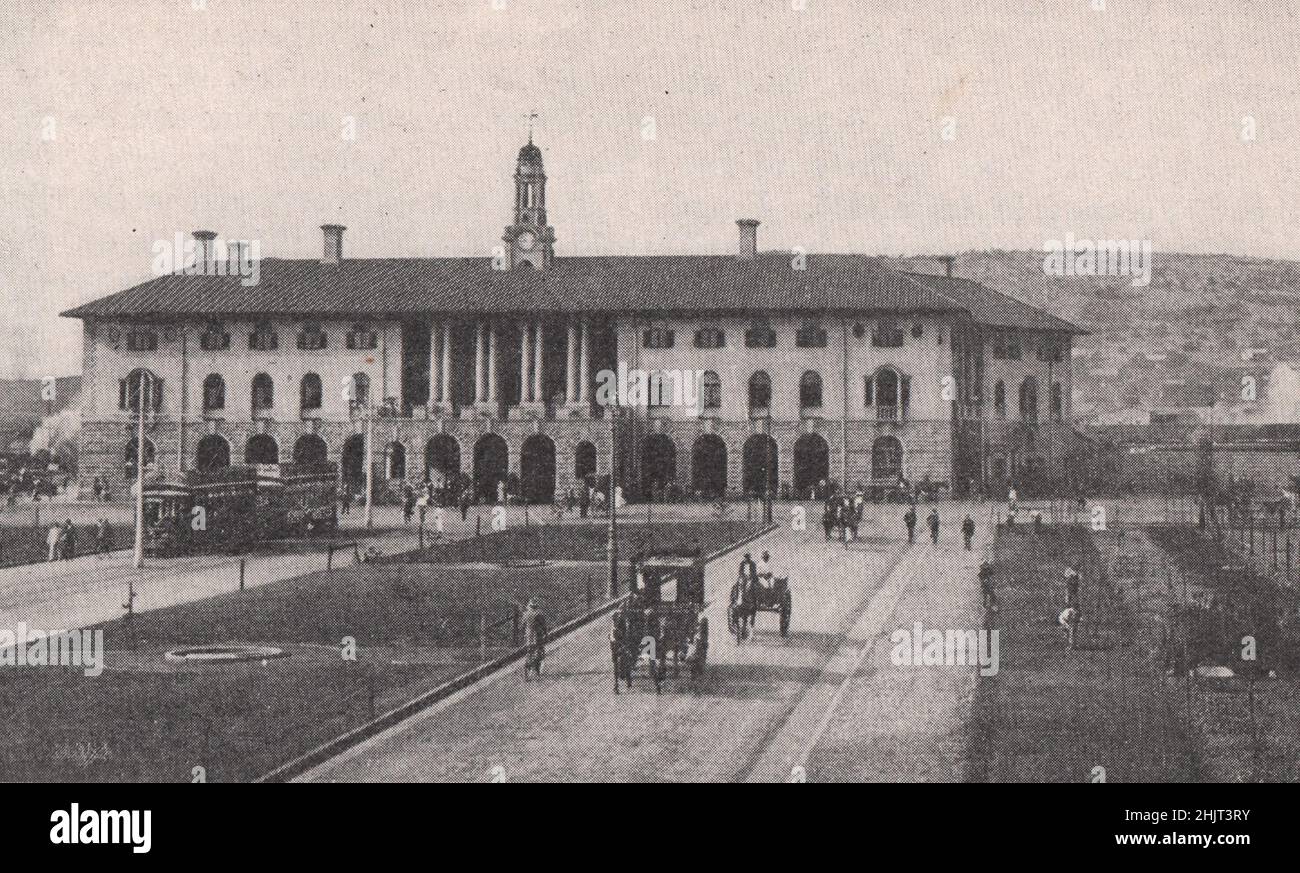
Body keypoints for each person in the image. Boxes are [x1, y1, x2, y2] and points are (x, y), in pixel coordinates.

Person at [522, 599, 547, 679]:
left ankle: (527, 668)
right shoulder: (539, 614)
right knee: (539, 652)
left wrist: (525, 634)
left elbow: (522, 625)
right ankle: (537, 670)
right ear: (536, 606)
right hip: (537, 635)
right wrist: (546, 634)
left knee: (529, 651)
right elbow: (543, 625)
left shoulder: (525, 614)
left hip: (528, 636)